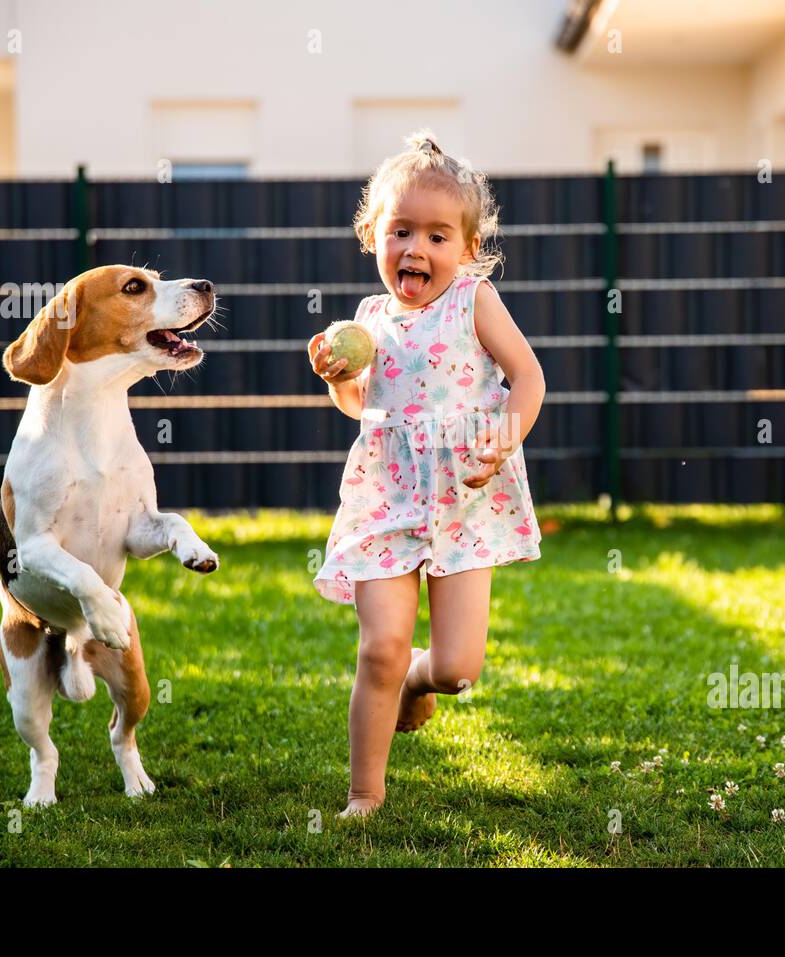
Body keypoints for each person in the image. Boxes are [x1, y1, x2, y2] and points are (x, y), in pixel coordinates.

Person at [307, 130, 546, 818]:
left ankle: (419, 679)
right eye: (401, 230)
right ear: (372, 236)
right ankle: (364, 792)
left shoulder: (473, 300)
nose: (417, 248)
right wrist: (336, 375)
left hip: (468, 495)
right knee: (380, 644)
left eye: (439, 236)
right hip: (388, 492)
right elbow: (357, 405)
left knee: (457, 669)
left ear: (468, 251)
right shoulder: (368, 320)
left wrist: (507, 432)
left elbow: (527, 375)